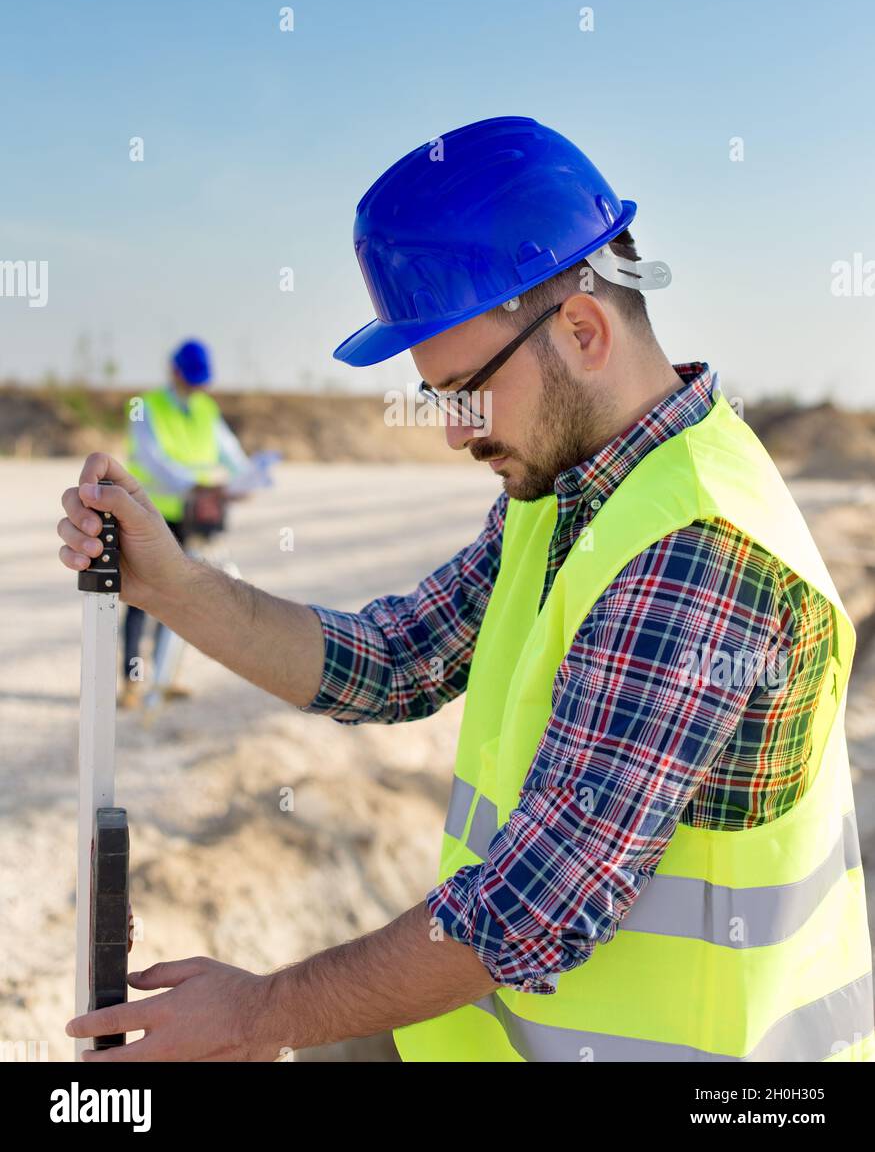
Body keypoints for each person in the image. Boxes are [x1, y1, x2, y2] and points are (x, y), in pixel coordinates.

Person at [58, 117, 873, 1063]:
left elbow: (532, 909)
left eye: (464, 393)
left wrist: (259, 1013)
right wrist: (172, 584)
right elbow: (390, 664)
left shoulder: (695, 551)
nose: (453, 433)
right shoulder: (573, 488)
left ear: (581, 327)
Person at [122, 338, 250, 697]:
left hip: (193, 519)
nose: (197, 386)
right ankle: (131, 683)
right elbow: (151, 460)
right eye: (191, 378)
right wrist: (194, 484)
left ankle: (163, 679)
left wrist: (246, 479)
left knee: (177, 596)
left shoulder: (206, 409)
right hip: (149, 515)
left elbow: (231, 454)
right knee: (138, 597)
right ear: (174, 371)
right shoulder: (146, 406)